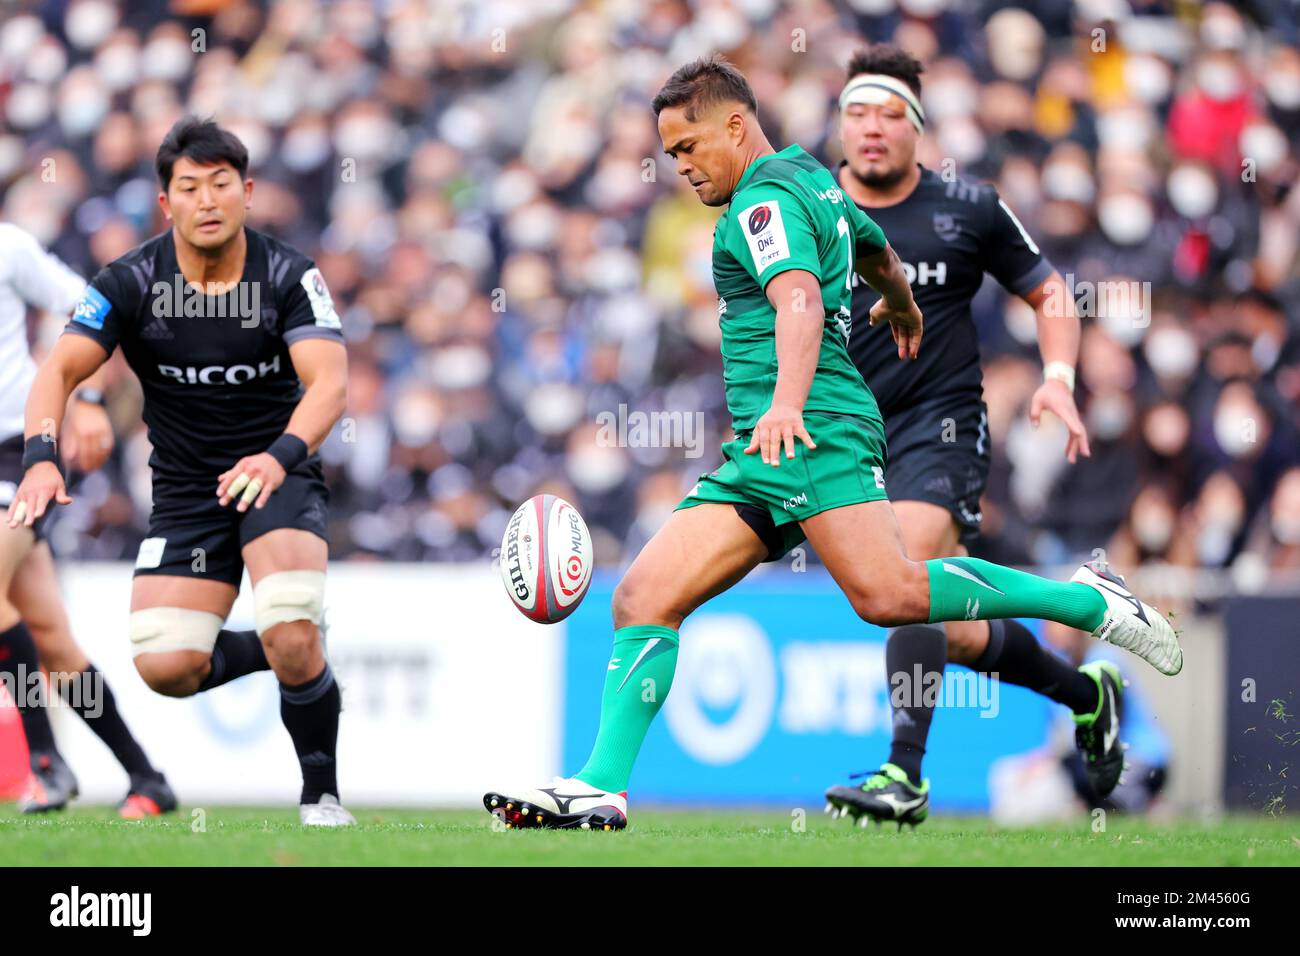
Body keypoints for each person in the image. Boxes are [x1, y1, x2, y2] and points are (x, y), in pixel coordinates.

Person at [483, 56, 1181, 831]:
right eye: (670, 152)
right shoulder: (814, 180)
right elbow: (876, 249)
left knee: (893, 596)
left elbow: (801, 300)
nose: (677, 165)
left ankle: (1086, 602)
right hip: (763, 454)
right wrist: (902, 306)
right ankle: (601, 786)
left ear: (735, 127)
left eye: (686, 148)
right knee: (644, 596)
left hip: (810, 432)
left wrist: (785, 402)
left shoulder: (760, 207)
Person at [811, 43, 1130, 827]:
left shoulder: (969, 207)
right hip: (847, 438)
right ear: (840, 126)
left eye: (890, 114)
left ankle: (903, 773)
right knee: (945, 625)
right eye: (857, 113)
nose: (873, 129)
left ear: (918, 127)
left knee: (907, 572)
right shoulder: (807, 210)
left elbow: (1051, 291)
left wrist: (1057, 378)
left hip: (940, 427)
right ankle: (1084, 692)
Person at [7, 117, 352, 826]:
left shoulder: (290, 273)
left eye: (221, 184)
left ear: (247, 192)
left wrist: (279, 455)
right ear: (166, 203)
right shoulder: (129, 280)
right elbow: (59, 370)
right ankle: (296, 644)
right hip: (188, 492)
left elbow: (331, 385)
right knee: (168, 666)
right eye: (189, 187)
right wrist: (44, 455)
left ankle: (321, 794)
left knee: (289, 619)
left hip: (275, 473)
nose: (206, 200)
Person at [0, 221, 176, 816]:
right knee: (49, 638)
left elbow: (88, 306)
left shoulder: (8, 246)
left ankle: (46, 764)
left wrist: (90, 399)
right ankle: (146, 776)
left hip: (21, 452)